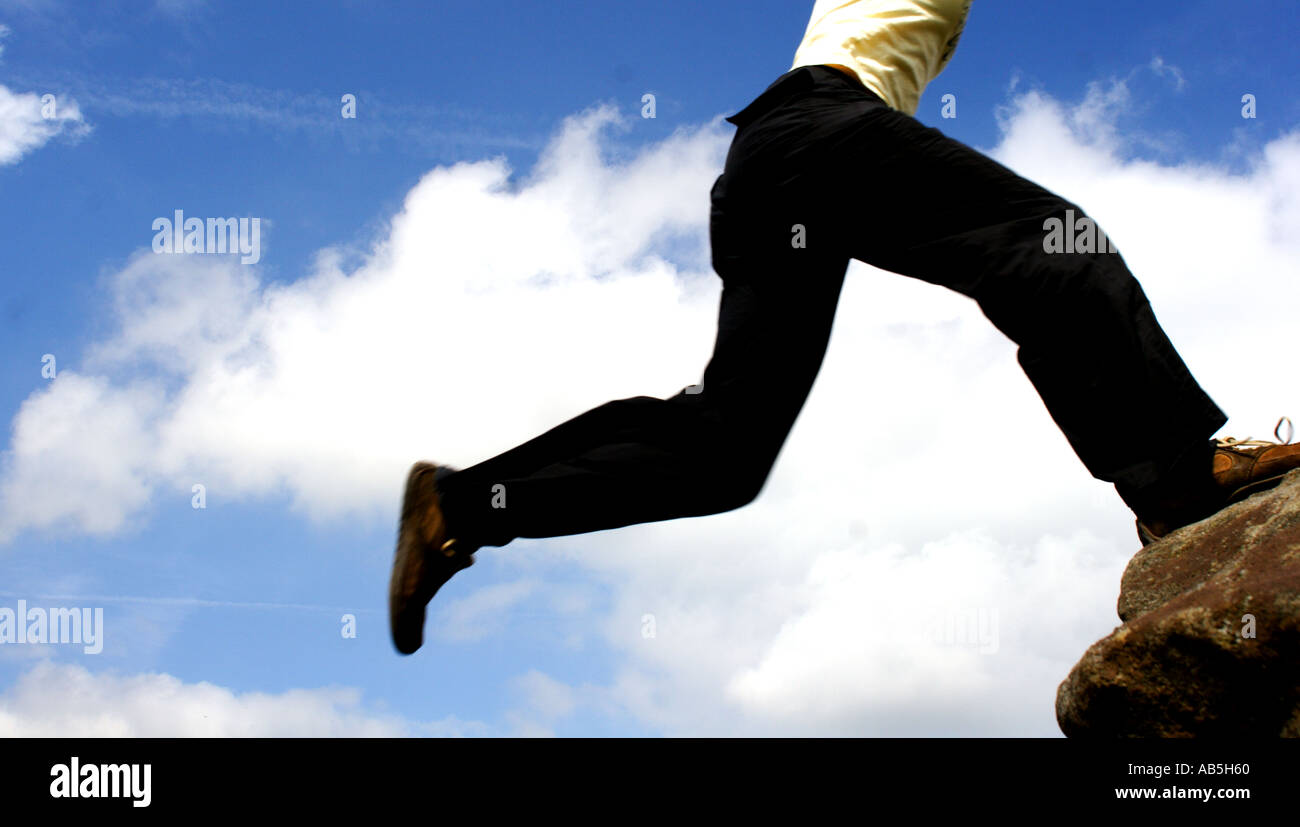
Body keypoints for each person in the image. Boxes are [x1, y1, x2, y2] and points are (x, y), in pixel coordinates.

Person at [388, 0, 1300, 654]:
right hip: (817, 129)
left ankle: (459, 505)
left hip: (774, 165)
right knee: (1053, 246)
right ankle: (1177, 474)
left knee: (726, 451)